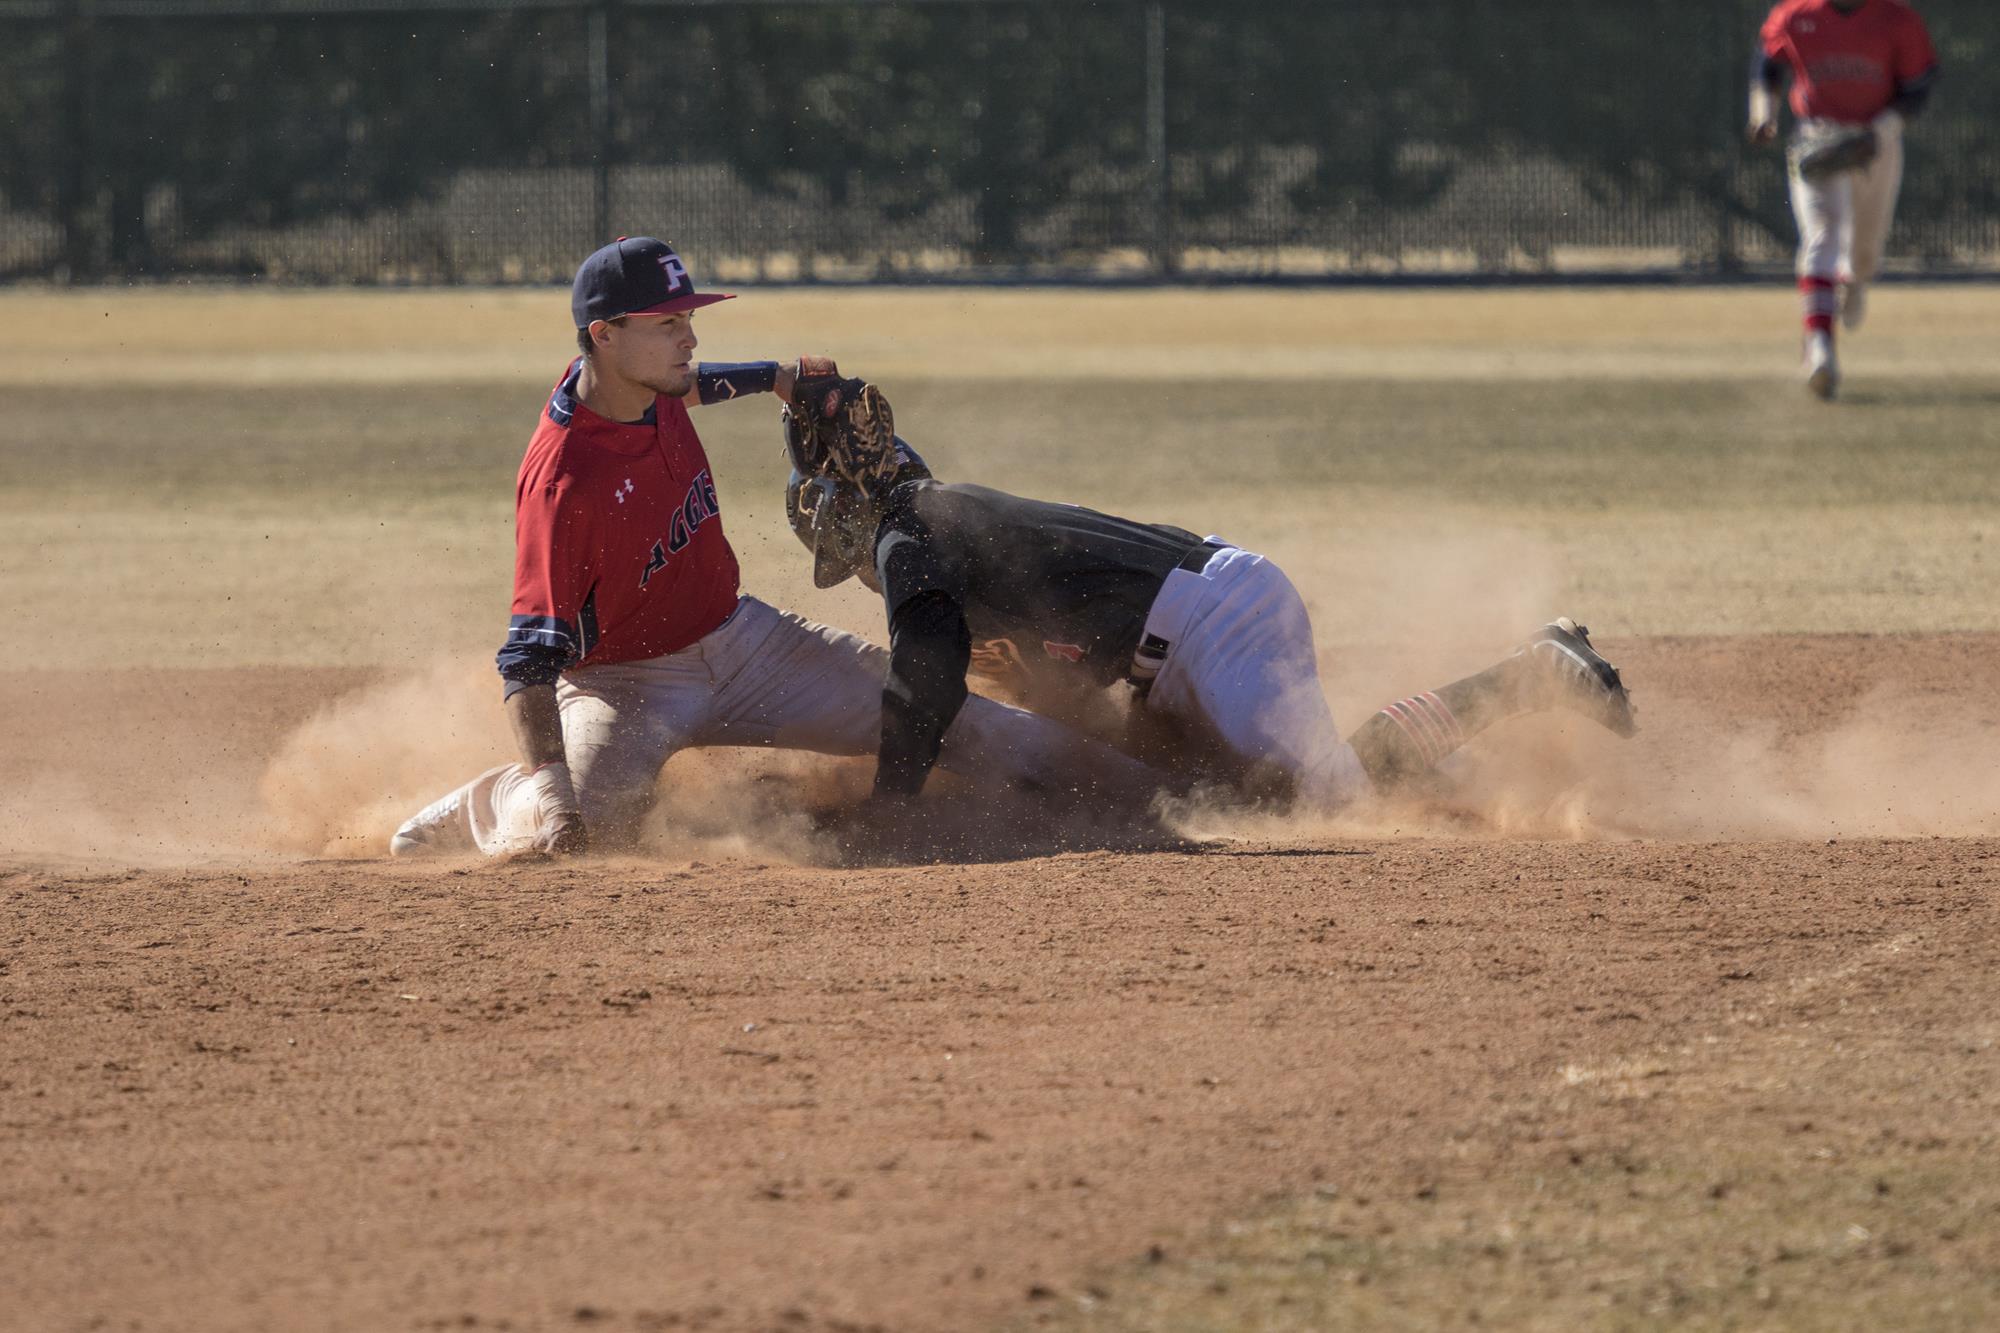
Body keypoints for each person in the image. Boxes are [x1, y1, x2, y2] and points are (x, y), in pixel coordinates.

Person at [389, 236, 1163, 858]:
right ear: (604, 334)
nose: (689, 336)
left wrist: (778, 378)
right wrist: (551, 782)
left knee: (951, 719)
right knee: (583, 830)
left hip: (747, 643)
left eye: (689, 318)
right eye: (669, 323)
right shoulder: (562, 481)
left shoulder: (642, 382)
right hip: (623, 685)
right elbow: (527, 656)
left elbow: (688, 385)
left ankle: (1155, 794)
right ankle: (494, 801)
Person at [780, 403, 1637, 815]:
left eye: (836, 532)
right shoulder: (948, 541)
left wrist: (894, 797)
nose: (851, 560)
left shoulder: (917, 525)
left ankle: (1533, 673)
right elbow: (1070, 702)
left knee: (1327, 800)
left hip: (1214, 622)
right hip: (1187, 640)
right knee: (1245, 793)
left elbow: (923, 663)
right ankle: (1434, 771)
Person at [1748, 0, 1939, 400]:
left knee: (1864, 255)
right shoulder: (1798, 15)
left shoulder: (1894, 17)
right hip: (1818, 138)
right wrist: (1764, 112)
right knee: (1821, 236)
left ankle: (1855, 282)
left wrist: (1882, 130)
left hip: (1876, 140)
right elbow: (1767, 63)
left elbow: (1918, 84)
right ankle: (1819, 347)